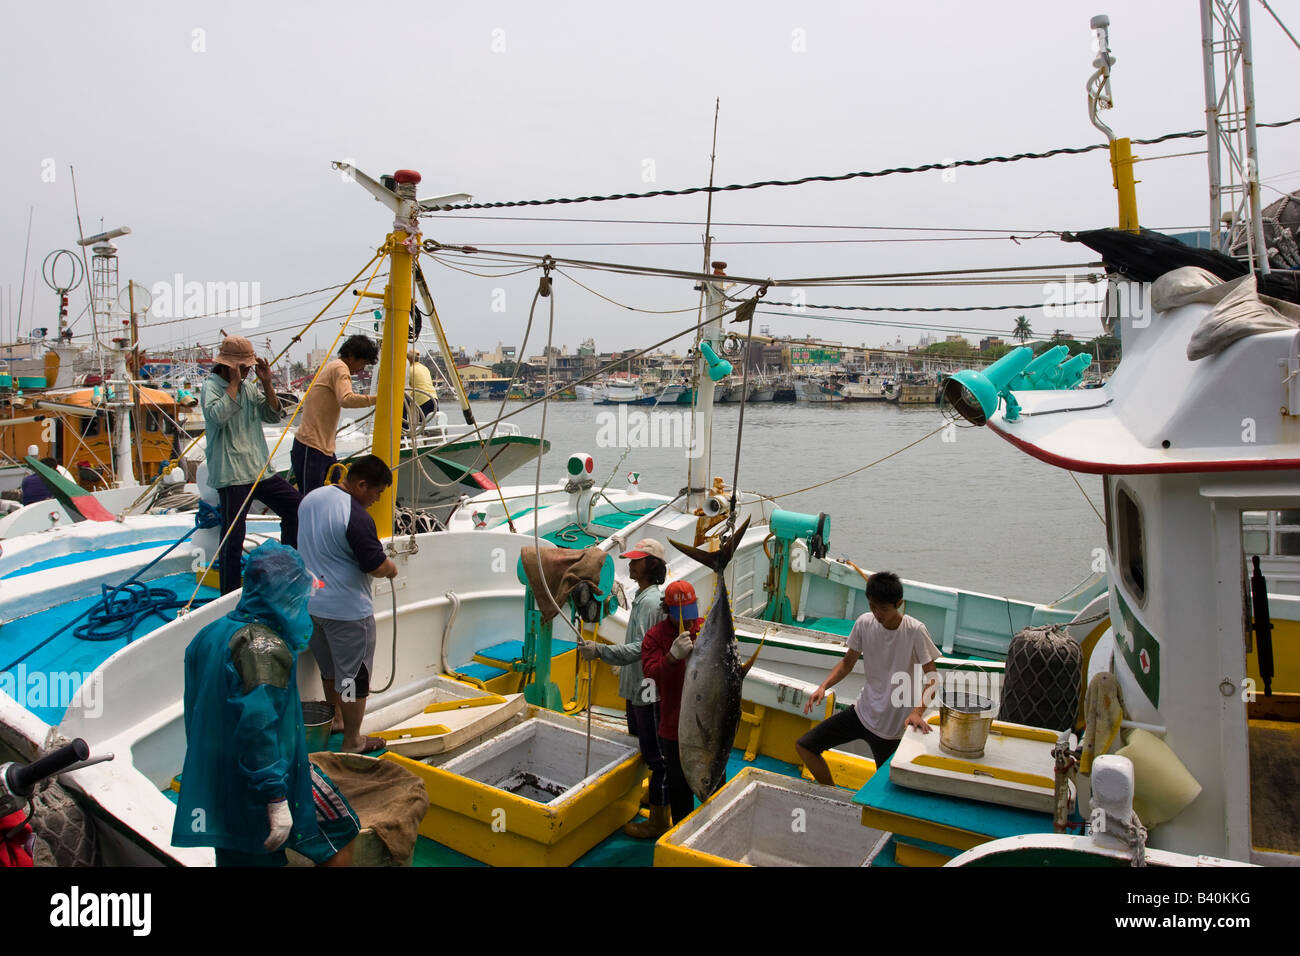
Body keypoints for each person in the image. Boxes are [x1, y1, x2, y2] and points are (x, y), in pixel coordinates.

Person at [171, 541, 361, 867]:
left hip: (220, 779)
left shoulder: (209, 634)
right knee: (342, 830)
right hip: (263, 784)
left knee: (235, 855)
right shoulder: (263, 646)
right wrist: (275, 797)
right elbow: (258, 726)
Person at [796, 570, 940, 784]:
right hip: (862, 713)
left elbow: (933, 678)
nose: (877, 614)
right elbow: (847, 663)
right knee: (805, 746)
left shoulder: (915, 631)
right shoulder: (864, 623)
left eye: (883, 609)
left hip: (892, 728)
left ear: (899, 604)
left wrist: (918, 712)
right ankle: (831, 793)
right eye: (873, 607)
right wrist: (823, 686)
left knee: (891, 785)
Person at [296, 454, 398, 755]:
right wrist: (391, 568)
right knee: (353, 679)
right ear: (361, 484)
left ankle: (337, 720)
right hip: (348, 613)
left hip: (313, 605)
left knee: (330, 671)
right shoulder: (356, 516)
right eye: (376, 492)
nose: (377, 499)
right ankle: (353, 740)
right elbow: (374, 564)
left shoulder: (311, 499)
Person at [577, 538, 667, 838]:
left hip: (646, 690)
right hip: (637, 688)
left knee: (657, 758)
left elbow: (642, 648)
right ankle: (653, 801)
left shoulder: (651, 602)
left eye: (636, 560)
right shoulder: (644, 597)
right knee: (643, 746)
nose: (630, 564)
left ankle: (659, 820)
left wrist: (601, 652)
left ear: (650, 565)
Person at [201, 334, 301, 595]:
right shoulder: (211, 387)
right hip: (232, 472)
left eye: (248, 367)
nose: (246, 371)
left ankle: (288, 569)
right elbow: (217, 416)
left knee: (296, 508)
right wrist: (233, 385)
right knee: (233, 537)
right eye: (243, 367)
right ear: (228, 365)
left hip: (257, 468)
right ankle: (229, 594)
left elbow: (271, 414)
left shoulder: (248, 386)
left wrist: (267, 383)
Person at [640, 580, 706, 827]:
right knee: (680, 792)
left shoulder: (705, 628)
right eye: (682, 617)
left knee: (716, 785)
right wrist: (671, 657)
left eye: (691, 615)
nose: (689, 623)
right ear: (667, 611)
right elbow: (650, 675)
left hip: (705, 725)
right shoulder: (655, 637)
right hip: (674, 727)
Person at [292, 335, 379, 496]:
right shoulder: (340, 368)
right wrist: (379, 399)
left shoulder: (333, 366)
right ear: (352, 356)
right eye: (363, 363)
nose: (361, 369)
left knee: (333, 495)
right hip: (310, 446)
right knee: (312, 500)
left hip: (324, 448)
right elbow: (346, 399)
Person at [404, 348, 438, 428]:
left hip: (421, 401)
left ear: (409, 359)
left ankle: (404, 434)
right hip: (434, 399)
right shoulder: (425, 368)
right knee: (432, 426)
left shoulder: (409, 370)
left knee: (418, 427)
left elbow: (404, 387)